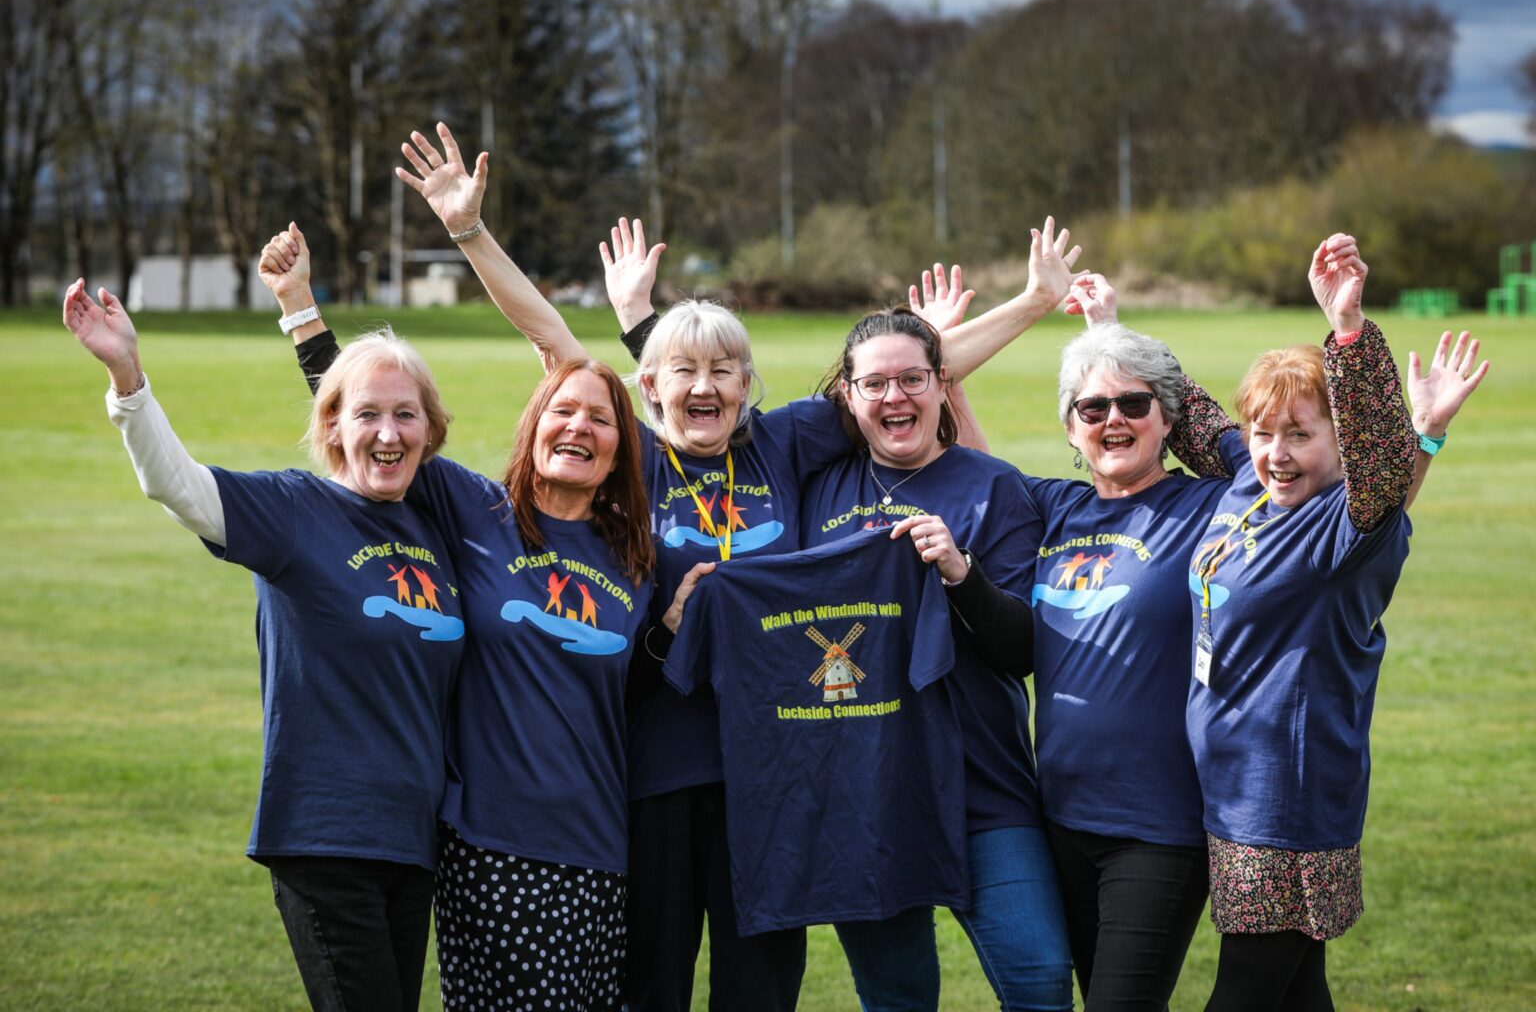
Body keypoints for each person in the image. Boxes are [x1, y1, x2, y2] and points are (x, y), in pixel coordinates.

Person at [372, 122, 1082, 1012]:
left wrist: (1031, 304)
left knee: (761, 992)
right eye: (682, 372)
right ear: (649, 387)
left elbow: (902, 384)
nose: (703, 387)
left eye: (723, 371)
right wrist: (471, 232)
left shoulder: (785, 442)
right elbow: (556, 347)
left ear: (748, 386)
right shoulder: (629, 456)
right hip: (661, 766)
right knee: (655, 988)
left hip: (779, 769)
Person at [257, 223, 703, 1010]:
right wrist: (300, 309)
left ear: (621, 450)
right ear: (534, 427)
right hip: (491, 845)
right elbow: (373, 422)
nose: (579, 426)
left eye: (601, 420)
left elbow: (632, 689)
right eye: (562, 410)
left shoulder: (641, 558)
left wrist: (670, 627)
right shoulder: (473, 510)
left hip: (602, 849)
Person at [62, 281, 464, 1012]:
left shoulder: (436, 528)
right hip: (326, 838)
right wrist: (127, 376)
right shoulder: (295, 510)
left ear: (430, 430)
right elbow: (178, 487)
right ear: (332, 424)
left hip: (413, 842)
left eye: (406, 414)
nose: (388, 433)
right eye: (367, 414)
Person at [1167, 234, 1488, 1011]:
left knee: (1243, 995)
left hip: (1286, 805)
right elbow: (1190, 415)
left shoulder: (1346, 528)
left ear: (1342, 445)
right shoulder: (1249, 487)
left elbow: (1382, 469)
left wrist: (1348, 330)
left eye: (1301, 435)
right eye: (1264, 432)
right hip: (1231, 790)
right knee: (1299, 993)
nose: (1276, 454)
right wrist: (1106, 331)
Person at [913, 278, 1240, 1008]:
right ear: (1070, 427)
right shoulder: (1052, 506)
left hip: (1159, 825)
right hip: (1061, 819)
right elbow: (965, 462)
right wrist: (941, 357)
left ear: (1168, 419)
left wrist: (1118, 340)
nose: (1113, 420)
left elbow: (1257, 464)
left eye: (1135, 405)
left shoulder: (1206, 507)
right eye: (1093, 408)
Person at [801, 298, 1075, 1012]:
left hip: (981, 781)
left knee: (1041, 980)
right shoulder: (817, 485)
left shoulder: (993, 486)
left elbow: (1020, 649)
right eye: (875, 383)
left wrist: (960, 572)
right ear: (848, 396)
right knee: (896, 995)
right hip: (865, 790)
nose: (895, 396)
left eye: (913, 379)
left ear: (941, 384)